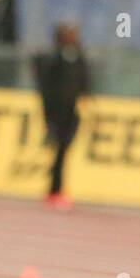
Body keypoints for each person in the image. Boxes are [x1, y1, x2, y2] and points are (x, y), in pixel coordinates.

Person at [33, 22, 90, 210]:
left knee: (63, 152)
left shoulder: (78, 57)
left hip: (71, 112)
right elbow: (45, 86)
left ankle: (55, 189)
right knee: (58, 151)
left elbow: (85, 82)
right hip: (55, 113)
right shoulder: (54, 58)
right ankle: (55, 190)